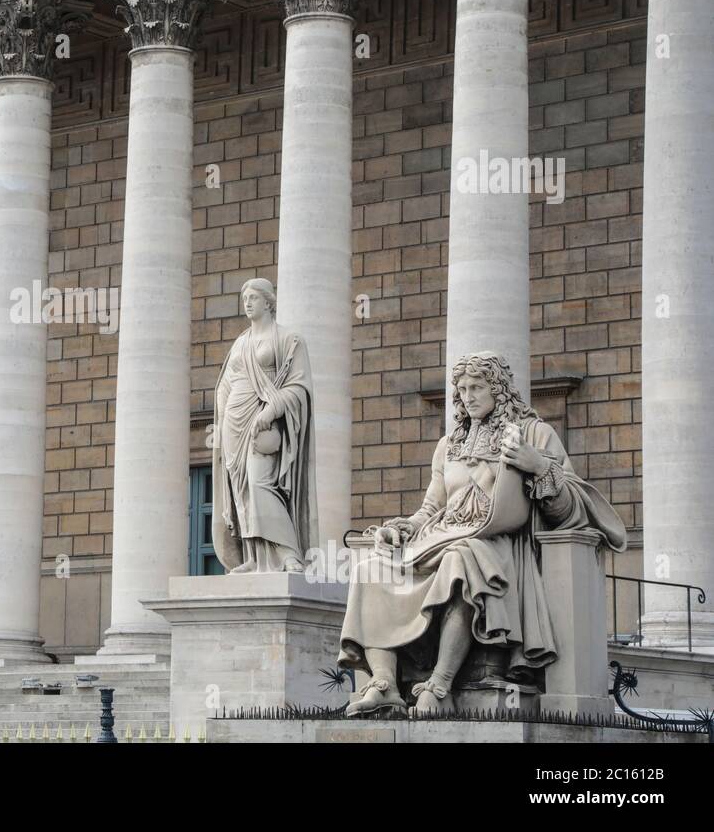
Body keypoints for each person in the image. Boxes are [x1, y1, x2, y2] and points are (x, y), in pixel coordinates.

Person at [338, 351, 626, 716]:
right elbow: (430, 508)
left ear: (499, 389)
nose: (468, 396)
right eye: (462, 389)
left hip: (498, 542)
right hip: (440, 537)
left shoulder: (534, 434)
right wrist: (402, 527)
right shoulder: (450, 444)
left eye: (477, 387)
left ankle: (440, 684)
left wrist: (536, 465)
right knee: (371, 568)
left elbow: (570, 511)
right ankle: (385, 684)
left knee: (462, 559)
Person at [211, 277, 318, 573]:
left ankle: (288, 553)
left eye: (254, 297)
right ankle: (255, 558)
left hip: (264, 421)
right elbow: (226, 384)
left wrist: (271, 410)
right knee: (241, 490)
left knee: (261, 483)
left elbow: (299, 387)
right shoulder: (240, 343)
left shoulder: (288, 339)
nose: (247, 302)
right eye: (245, 297)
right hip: (235, 421)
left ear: (269, 302)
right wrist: (221, 417)